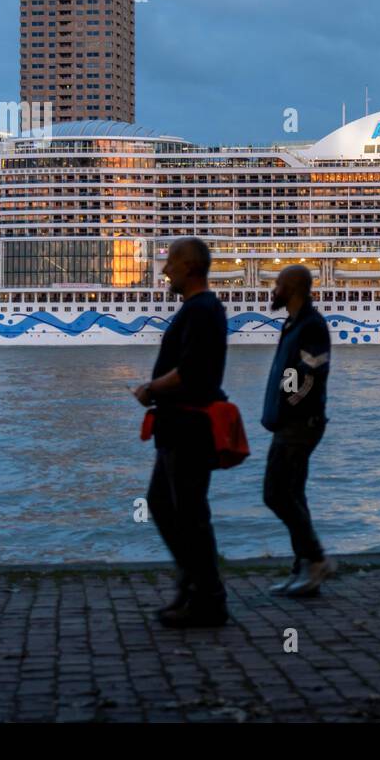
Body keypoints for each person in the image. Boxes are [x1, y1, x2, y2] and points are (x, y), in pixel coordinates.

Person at [133, 237, 229, 628]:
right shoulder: (196, 309)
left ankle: (207, 597)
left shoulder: (202, 310)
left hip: (189, 427)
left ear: (189, 267)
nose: (165, 269)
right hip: (176, 427)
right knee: (164, 504)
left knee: (189, 513)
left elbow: (192, 372)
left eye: (171, 262)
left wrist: (150, 389)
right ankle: (193, 585)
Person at [261, 265, 334, 597]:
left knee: (276, 494)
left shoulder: (310, 326)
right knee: (293, 493)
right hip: (291, 422)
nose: (272, 291)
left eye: (277, 285)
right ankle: (303, 568)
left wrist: (289, 405)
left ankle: (315, 559)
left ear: (291, 288)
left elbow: (311, 374)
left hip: (299, 424)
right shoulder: (293, 323)